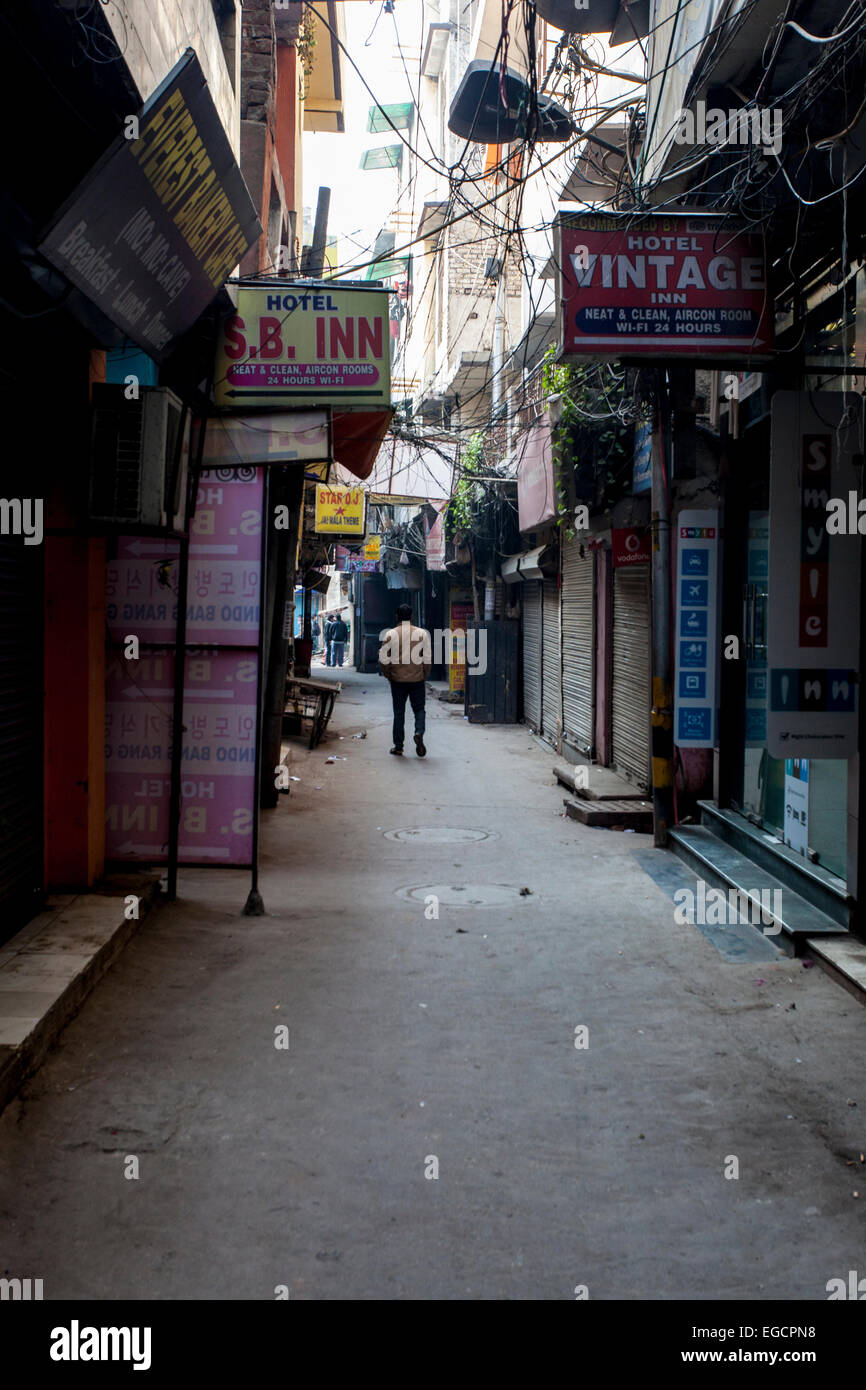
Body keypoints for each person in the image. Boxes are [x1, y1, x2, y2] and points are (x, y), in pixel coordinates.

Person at [378, 602, 431, 756]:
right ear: (412, 616)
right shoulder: (422, 634)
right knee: (419, 709)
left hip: (397, 680)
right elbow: (427, 658)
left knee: (399, 713)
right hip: (417, 679)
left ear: (397, 617)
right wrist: (424, 675)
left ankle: (398, 746)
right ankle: (419, 732)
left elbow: (383, 659)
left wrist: (388, 675)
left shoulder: (390, 634)